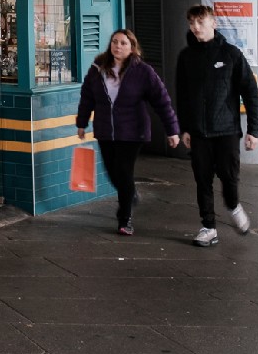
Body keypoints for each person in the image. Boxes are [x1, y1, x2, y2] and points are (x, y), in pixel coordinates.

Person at [74, 29, 181, 237]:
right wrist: (82, 122)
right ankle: (130, 193)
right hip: (105, 131)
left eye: (123, 43)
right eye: (115, 42)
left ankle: (125, 219)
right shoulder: (98, 68)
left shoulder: (143, 71)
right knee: (112, 172)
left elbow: (162, 101)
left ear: (132, 47)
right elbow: (87, 96)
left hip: (133, 132)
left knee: (123, 172)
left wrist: (172, 130)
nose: (118, 46)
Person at [172, 5, 258, 248]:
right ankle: (208, 226)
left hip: (227, 130)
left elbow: (251, 93)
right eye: (192, 23)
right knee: (203, 180)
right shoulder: (186, 56)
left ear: (214, 23)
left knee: (229, 176)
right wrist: (185, 128)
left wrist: (254, 130)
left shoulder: (231, 54)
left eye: (201, 22)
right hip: (199, 131)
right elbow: (183, 95)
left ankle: (233, 205)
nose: (196, 27)